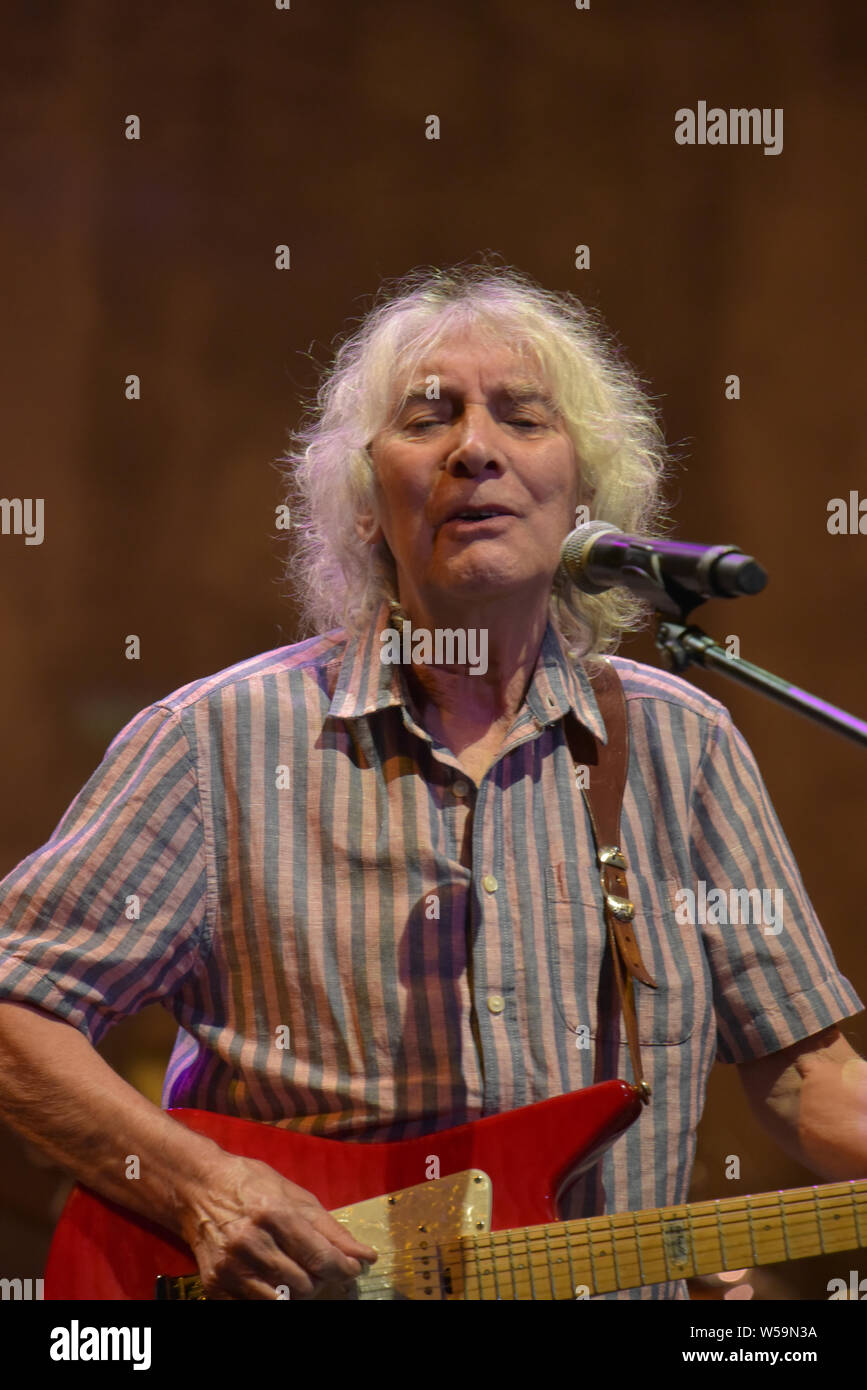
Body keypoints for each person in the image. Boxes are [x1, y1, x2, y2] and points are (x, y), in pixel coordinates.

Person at [0, 263, 864, 1302]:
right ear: (366, 503)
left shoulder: (686, 745)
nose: (474, 448)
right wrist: (206, 1190)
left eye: (522, 417)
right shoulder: (217, 741)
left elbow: (816, 1082)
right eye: (428, 417)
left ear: (586, 493)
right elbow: (16, 1008)